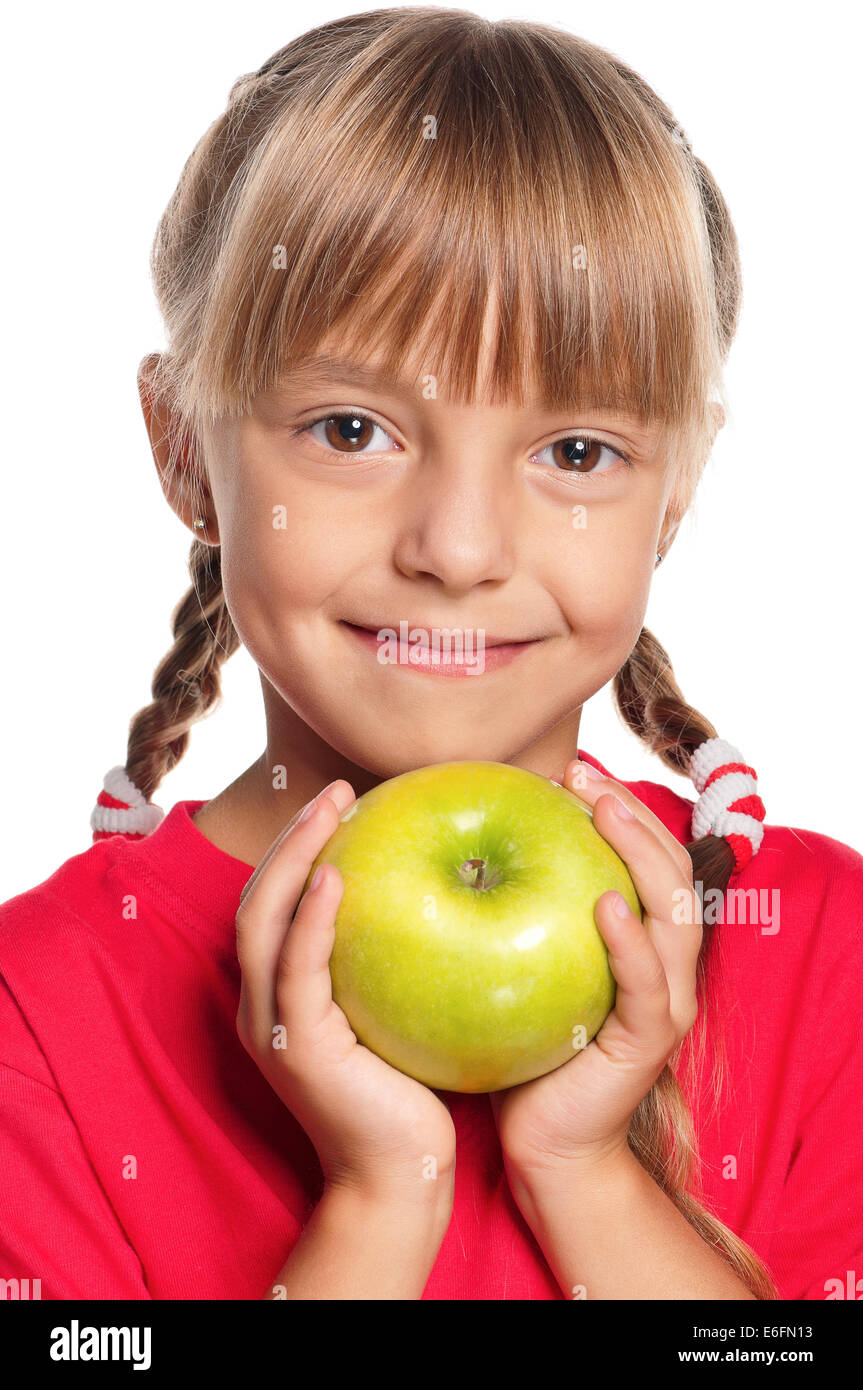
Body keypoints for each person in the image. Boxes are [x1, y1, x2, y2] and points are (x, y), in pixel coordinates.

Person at [1, 7, 861, 1301]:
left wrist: (585, 1170)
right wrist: (379, 1196)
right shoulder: (37, 1014)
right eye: (352, 428)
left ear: (673, 496)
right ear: (183, 448)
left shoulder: (817, 956)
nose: (458, 548)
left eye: (575, 452)